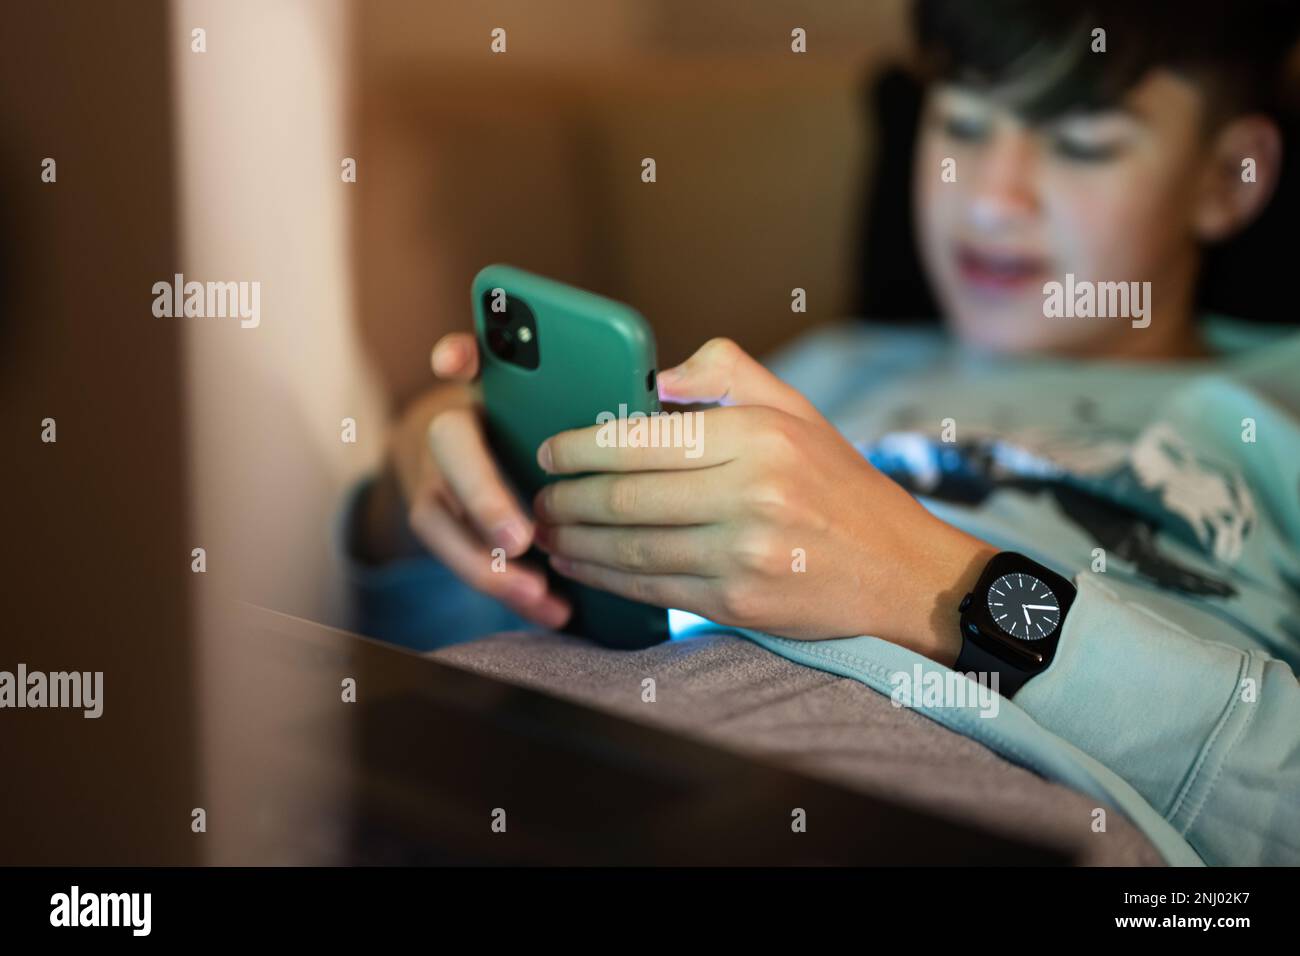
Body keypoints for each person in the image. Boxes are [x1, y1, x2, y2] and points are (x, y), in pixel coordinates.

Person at [343, 0, 1300, 865]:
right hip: (550, 715)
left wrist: (929, 581)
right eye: (963, 124)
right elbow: (426, 631)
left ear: (1230, 178)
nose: (993, 200)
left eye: (1083, 144)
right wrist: (429, 494)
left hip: (959, 782)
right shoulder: (835, 364)